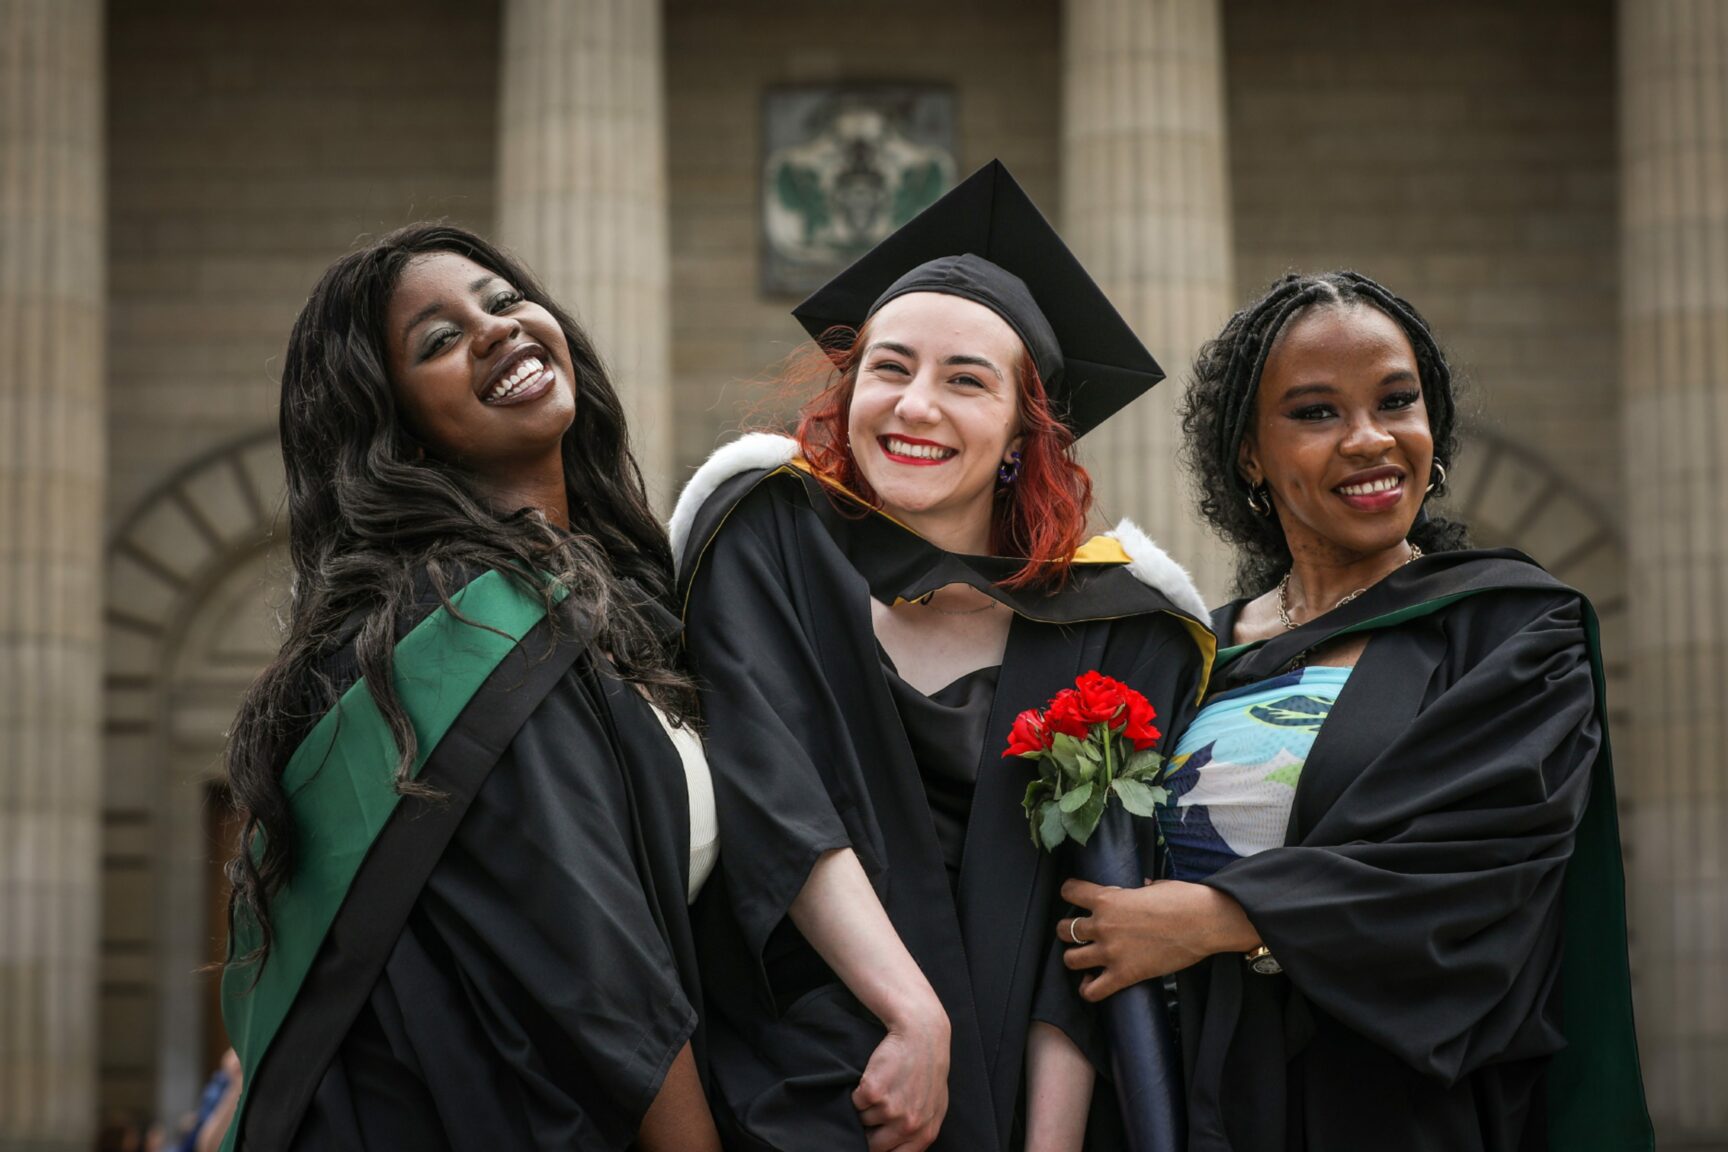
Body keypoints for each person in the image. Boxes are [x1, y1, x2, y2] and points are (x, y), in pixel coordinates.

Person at [671, 161, 1214, 1152]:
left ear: (1021, 432)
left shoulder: (1116, 621)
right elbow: (772, 795)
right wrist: (915, 1019)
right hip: (807, 1081)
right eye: (890, 367)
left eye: (965, 380)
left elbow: (1090, 919)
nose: (916, 405)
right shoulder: (766, 540)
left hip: (1017, 1098)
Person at [1056, 271, 1653, 1151]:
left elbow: (1475, 868)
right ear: (1250, 454)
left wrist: (1217, 920)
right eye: (1315, 412)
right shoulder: (1198, 655)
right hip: (1189, 1105)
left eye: (1396, 401)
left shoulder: (1512, 632)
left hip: (1383, 1110)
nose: (1370, 439)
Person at [218, 224, 721, 1152]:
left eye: (501, 301)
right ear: (391, 429)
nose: (496, 330)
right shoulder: (458, 631)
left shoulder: (628, 597)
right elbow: (599, 971)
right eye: (439, 341)